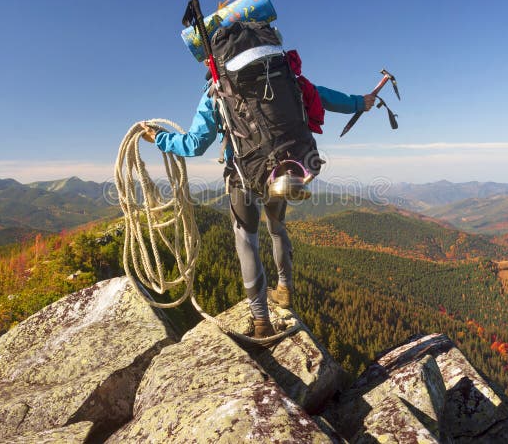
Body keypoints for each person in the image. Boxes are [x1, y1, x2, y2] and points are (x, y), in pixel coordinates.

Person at [142, 54, 375, 341]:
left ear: (212, 55)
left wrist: (161, 139)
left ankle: (262, 321)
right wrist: (358, 102)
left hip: (244, 175)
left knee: (247, 242)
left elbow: (195, 144)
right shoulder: (281, 73)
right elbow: (322, 95)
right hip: (284, 170)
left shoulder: (217, 90)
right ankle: (285, 288)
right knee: (277, 229)